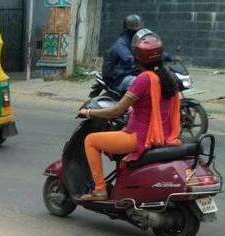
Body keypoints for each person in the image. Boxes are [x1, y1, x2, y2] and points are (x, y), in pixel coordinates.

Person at [78, 31, 182, 201]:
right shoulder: (168, 77)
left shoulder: (144, 79)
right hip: (162, 135)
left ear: (137, 57)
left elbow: (116, 110)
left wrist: (89, 112)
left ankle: (99, 189)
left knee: (91, 141)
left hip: (139, 137)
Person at [102, 15, 144, 93]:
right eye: (133, 31)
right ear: (127, 30)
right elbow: (130, 60)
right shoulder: (121, 43)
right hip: (118, 78)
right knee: (142, 84)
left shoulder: (135, 41)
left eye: (138, 30)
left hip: (129, 73)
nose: (136, 32)